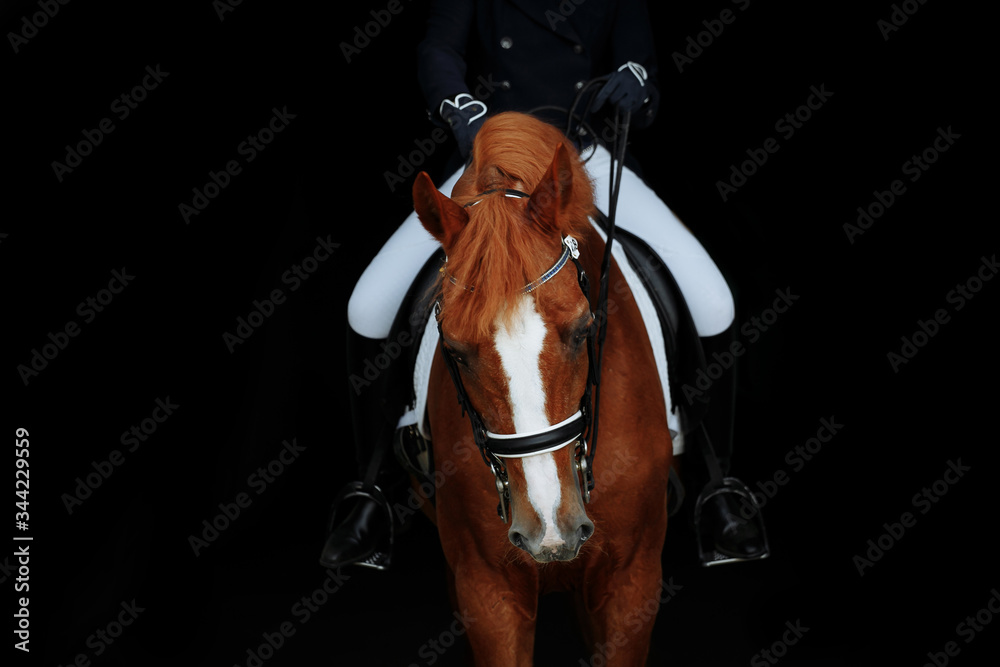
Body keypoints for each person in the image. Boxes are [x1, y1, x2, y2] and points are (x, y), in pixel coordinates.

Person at [320, 0, 767, 570]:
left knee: (713, 300)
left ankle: (719, 485)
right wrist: (462, 108)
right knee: (369, 305)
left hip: (578, 159)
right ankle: (371, 491)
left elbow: (639, 58)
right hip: (490, 166)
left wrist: (635, 80)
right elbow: (438, 49)